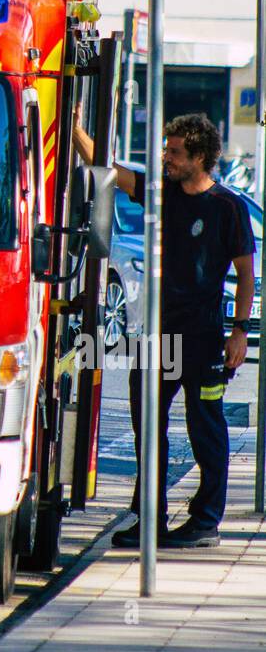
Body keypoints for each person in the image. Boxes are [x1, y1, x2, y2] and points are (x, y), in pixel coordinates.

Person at [72, 109, 255, 548]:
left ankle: (204, 522)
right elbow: (108, 170)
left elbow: (246, 274)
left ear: (199, 157)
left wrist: (240, 330)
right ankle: (149, 517)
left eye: (174, 153)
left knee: (205, 425)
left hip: (206, 336)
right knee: (147, 424)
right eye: (165, 151)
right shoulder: (163, 194)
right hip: (159, 337)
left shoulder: (229, 207)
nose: (165, 159)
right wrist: (76, 123)